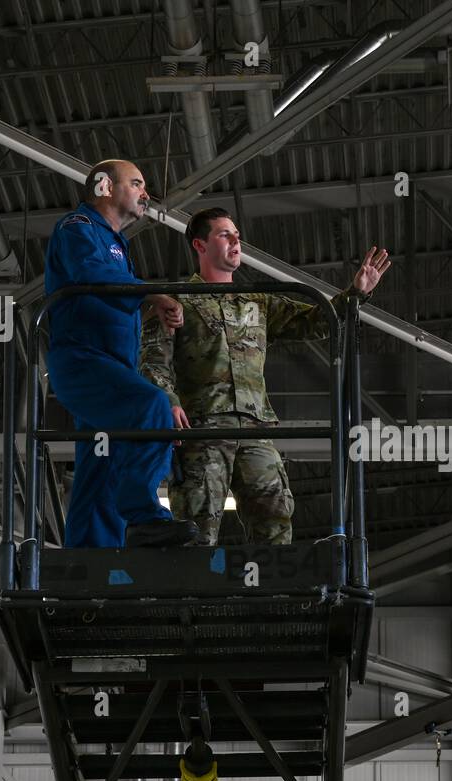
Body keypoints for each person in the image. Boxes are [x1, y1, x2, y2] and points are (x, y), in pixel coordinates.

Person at [140, 207, 390, 545]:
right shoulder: (176, 300)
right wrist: (167, 403)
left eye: (237, 235)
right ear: (200, 245)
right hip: (202, 427)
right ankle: (193, 596)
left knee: (275, 519)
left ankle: (272, 595)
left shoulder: (257, 302)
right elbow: (154, 362)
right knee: (196, 527)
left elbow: (317, 320)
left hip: (257, 427)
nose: (235, 240)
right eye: (224, 234)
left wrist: (355, 294)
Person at [43, 159, 199, 549]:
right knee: (150, 406)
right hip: (84, 363)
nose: (145, 193)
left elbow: (105, 301)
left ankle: (89, 567)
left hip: (107, 367)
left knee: (100, 468)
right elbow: (91, 274)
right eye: (136, 183)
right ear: (104, 187)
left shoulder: (117, 244)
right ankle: (145, 516)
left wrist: (148, 307)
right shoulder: (77, 228)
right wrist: (151, 292)